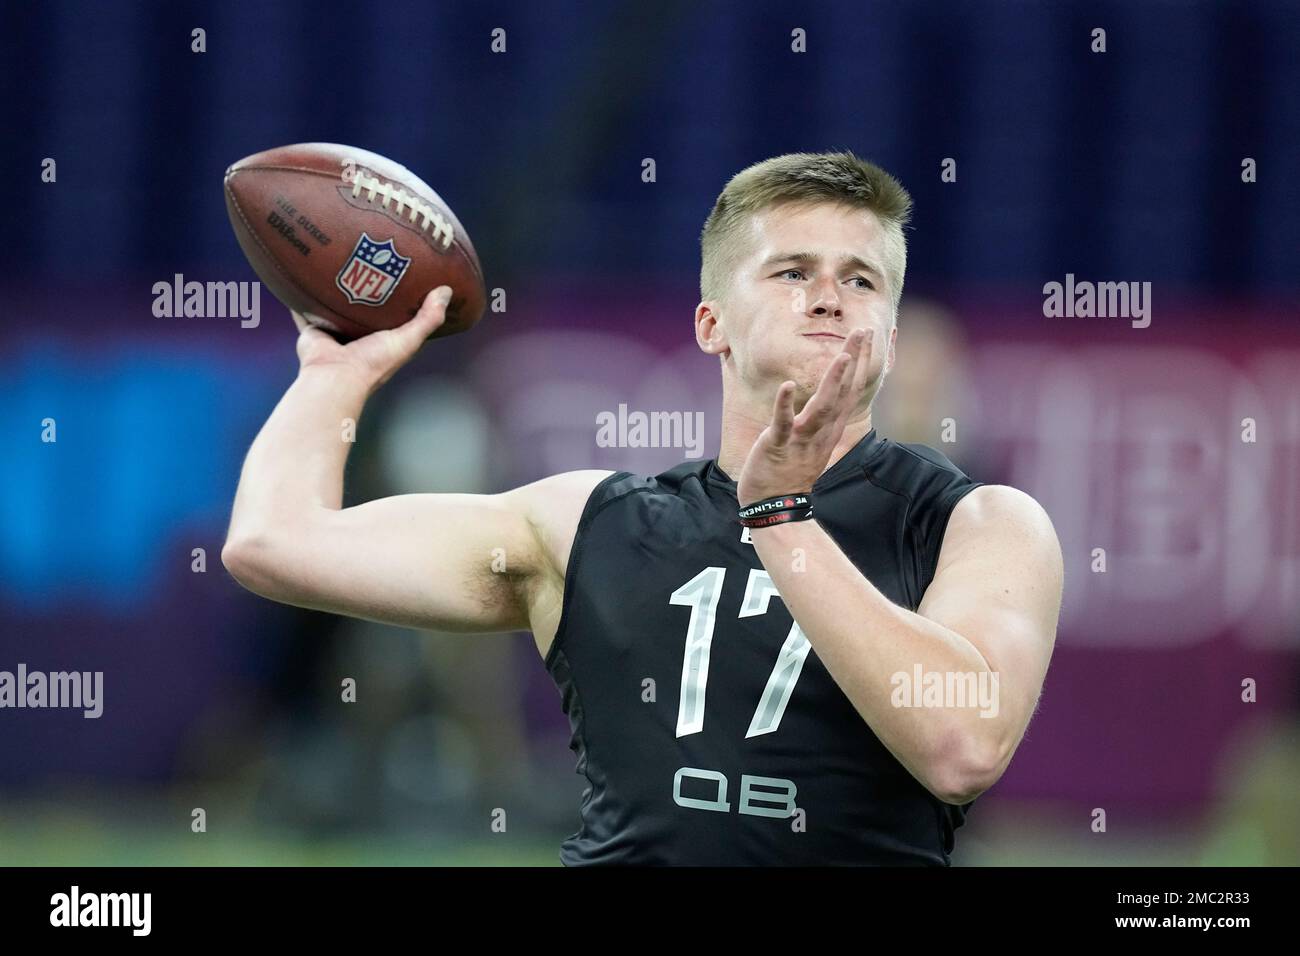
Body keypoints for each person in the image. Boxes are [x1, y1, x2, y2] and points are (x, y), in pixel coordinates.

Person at [222, 151, 1063, 865]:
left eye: (862, 279)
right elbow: (274, 542)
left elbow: (961, 747)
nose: (830, 296)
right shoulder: (593, 523)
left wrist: (782, 519)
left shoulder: (979, 524)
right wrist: (334, 376)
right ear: (711, 323)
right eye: (792, 271)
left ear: (888, 327)